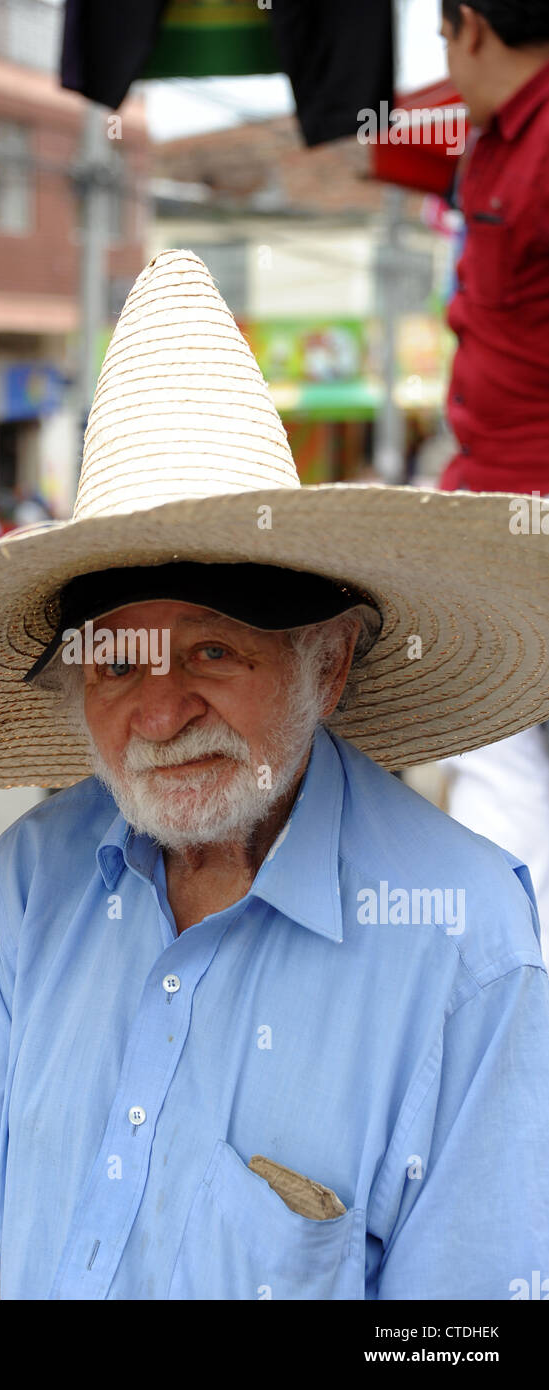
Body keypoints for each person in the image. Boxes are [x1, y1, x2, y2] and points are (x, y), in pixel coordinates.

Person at [0, 251, 549, 1300]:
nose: (159, 714)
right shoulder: (32, 878)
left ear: (328, 661)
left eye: (212, 650)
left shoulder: (467, 945)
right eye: (116, 661)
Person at [435, 0, 549, 958]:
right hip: (493, 514)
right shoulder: (491, 148)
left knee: (500, 771)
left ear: (470, 24)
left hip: (533, 514)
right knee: (498, 764)